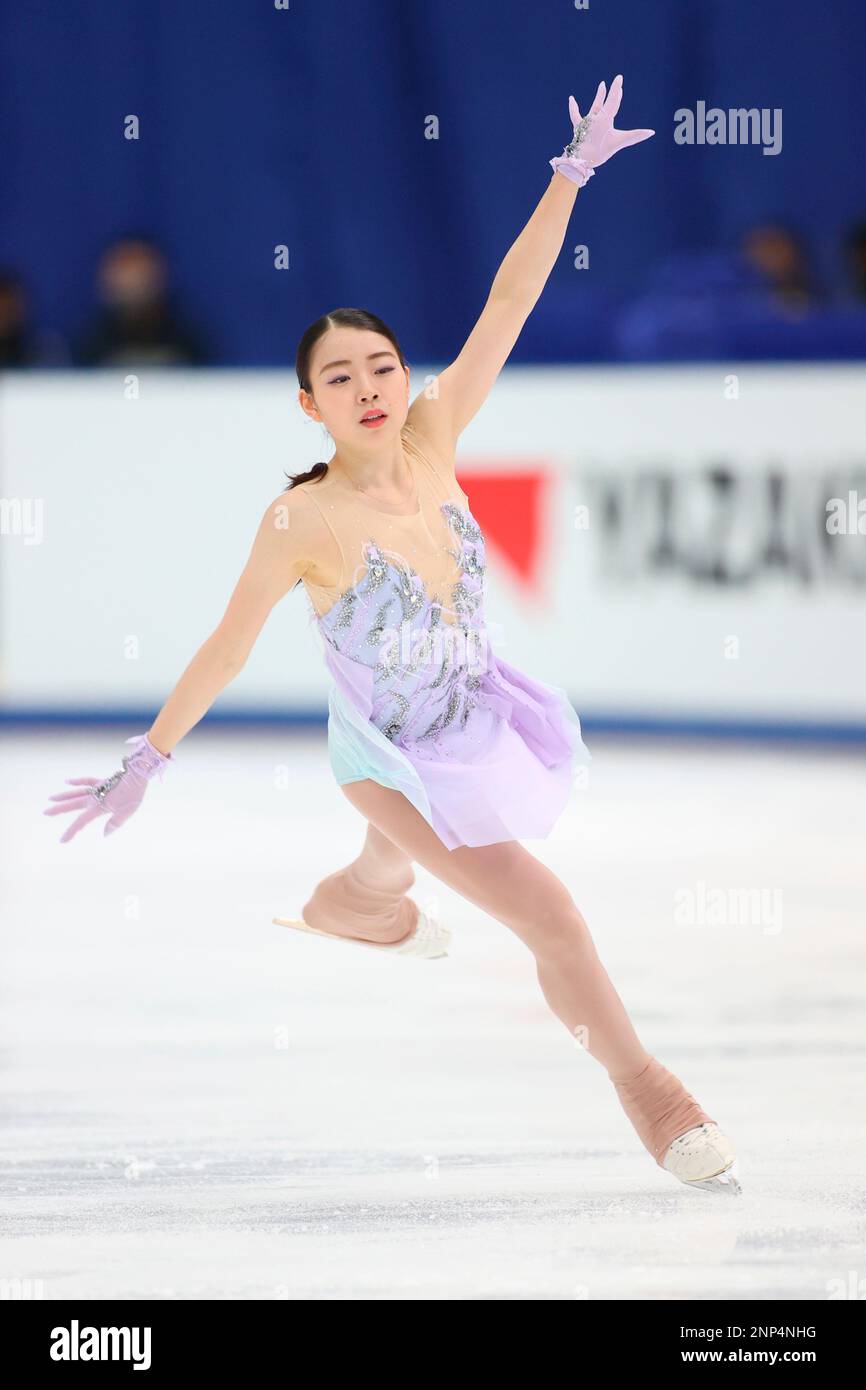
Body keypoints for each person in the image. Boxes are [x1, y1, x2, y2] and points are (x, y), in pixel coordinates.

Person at [43, 77, 740, 1194]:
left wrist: (564, 177)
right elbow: (226, 647)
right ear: (308, 407)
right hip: (389, 758)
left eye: (380, 367)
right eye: (338, 377)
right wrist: (149, 755)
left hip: (473, 715)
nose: (367, 387)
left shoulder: (435, 434)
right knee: (548, 914)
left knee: (398, 872)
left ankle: (355, 902)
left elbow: (507, 303)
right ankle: (648, 1090)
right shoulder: (299, 518)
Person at [75, 234, 209, 366]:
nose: (134, 283)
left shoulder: (189, 346)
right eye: (125, 270)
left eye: (140, 271)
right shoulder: (90, 349)